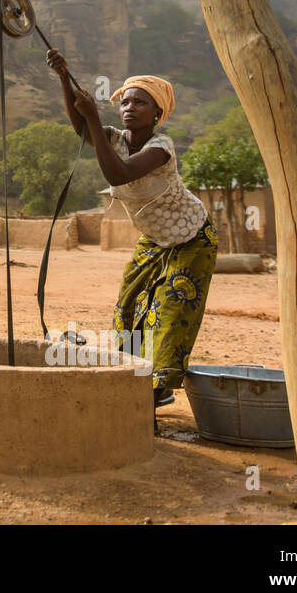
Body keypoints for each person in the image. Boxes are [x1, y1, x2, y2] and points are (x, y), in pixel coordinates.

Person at [46, 49, 218, 408]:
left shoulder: (161, 146)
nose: (129, 108)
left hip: (192, 237)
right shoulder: (116, 139)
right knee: (128, 306)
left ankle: (157, 389)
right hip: (155, 240)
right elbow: (81, 129)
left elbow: (118, 174)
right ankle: (134, 376)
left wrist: (93, 117)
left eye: (140, 103)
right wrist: (64, 78)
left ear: (158, 113)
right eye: (125, 102)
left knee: (171, 311)